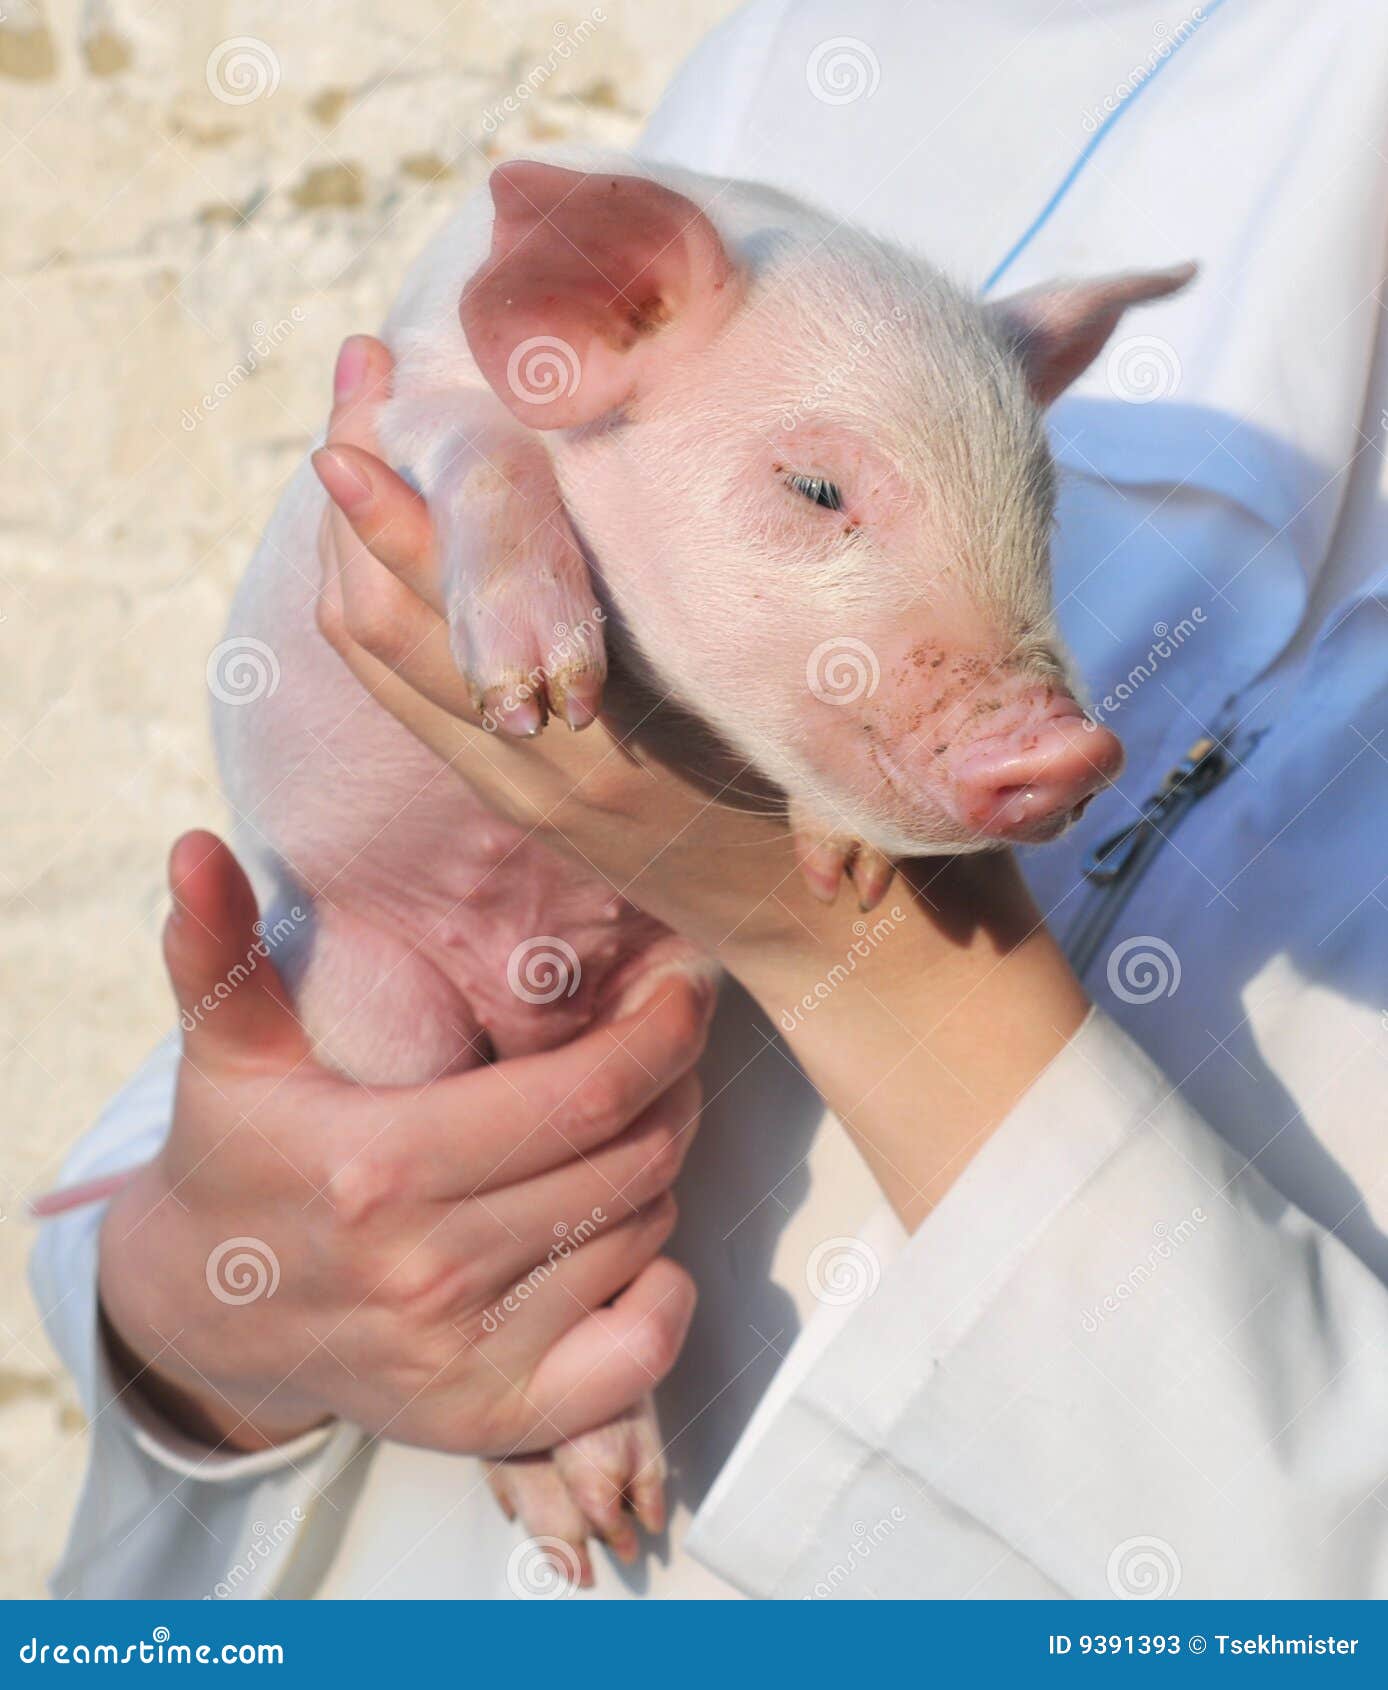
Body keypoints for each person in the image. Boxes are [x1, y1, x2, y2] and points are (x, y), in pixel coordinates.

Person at [33, 0, 1388, 1599]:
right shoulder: (845, 56)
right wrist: (208, 1312)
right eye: (819, 495)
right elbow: (384, 829)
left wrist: (835, 929)